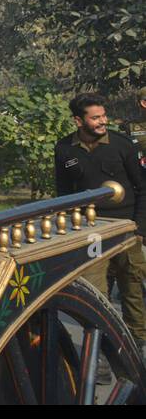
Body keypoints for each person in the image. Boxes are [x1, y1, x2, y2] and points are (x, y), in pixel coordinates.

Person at [54, 92, 146, 354]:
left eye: (103, 116)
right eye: (96, 118)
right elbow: (64, 193)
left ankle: (136, 350)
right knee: (95, 294)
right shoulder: (64, 149)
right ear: (78, 121)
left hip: (126, 228)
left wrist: (139, 228)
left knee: (132, 289)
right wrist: (71, 229)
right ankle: (101, 353)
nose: (103, 121)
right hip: (89, 230)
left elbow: (142, 187)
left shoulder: (123, 145)